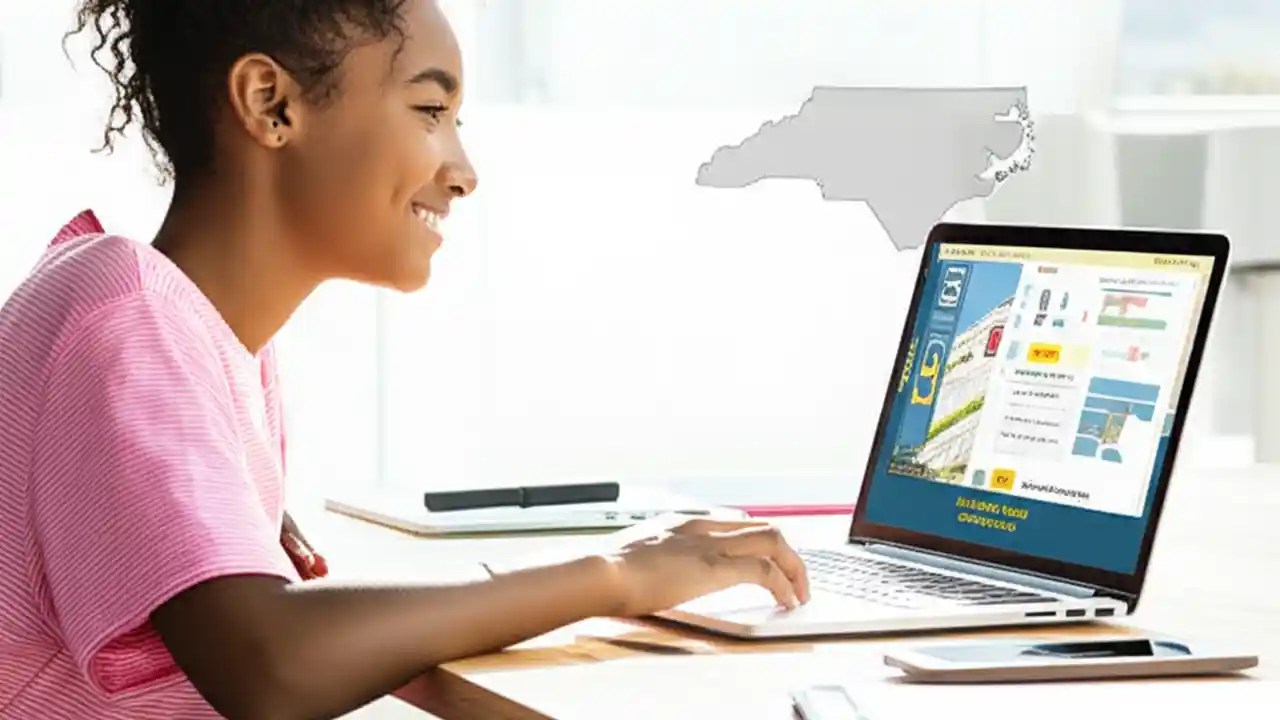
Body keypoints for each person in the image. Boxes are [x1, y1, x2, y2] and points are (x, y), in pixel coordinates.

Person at [0, 1, 811, 718]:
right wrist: (618, 574)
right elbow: (270, 670)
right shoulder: (126, 311)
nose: (462, 172)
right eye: (430, 110)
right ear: (269, 103)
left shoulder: (208, 340)